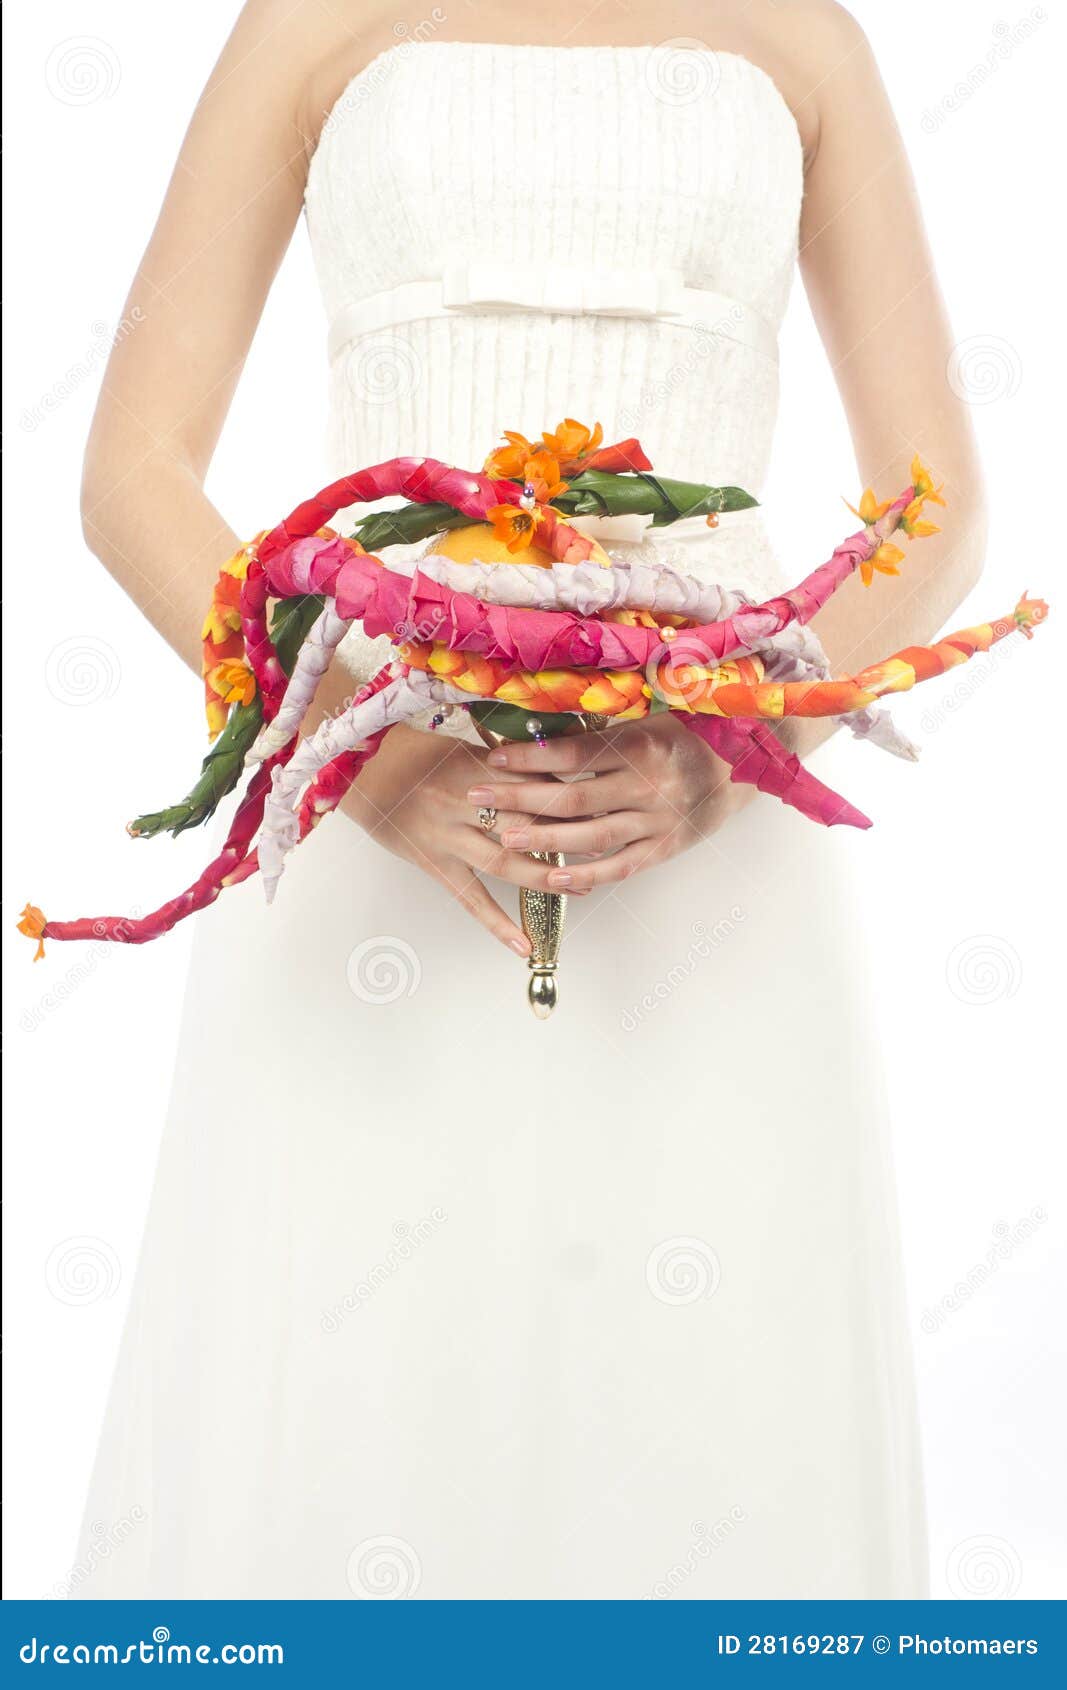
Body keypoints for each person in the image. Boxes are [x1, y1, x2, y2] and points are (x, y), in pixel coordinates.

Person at [73, 1, 984, 1598]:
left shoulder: (806, 36)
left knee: (708, 1405)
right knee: (353, 1389)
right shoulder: (305, 23)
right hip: (374, 801)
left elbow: (940, 499)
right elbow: (133, 470)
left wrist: (728, 754)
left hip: (713, 825)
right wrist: (368, 762)